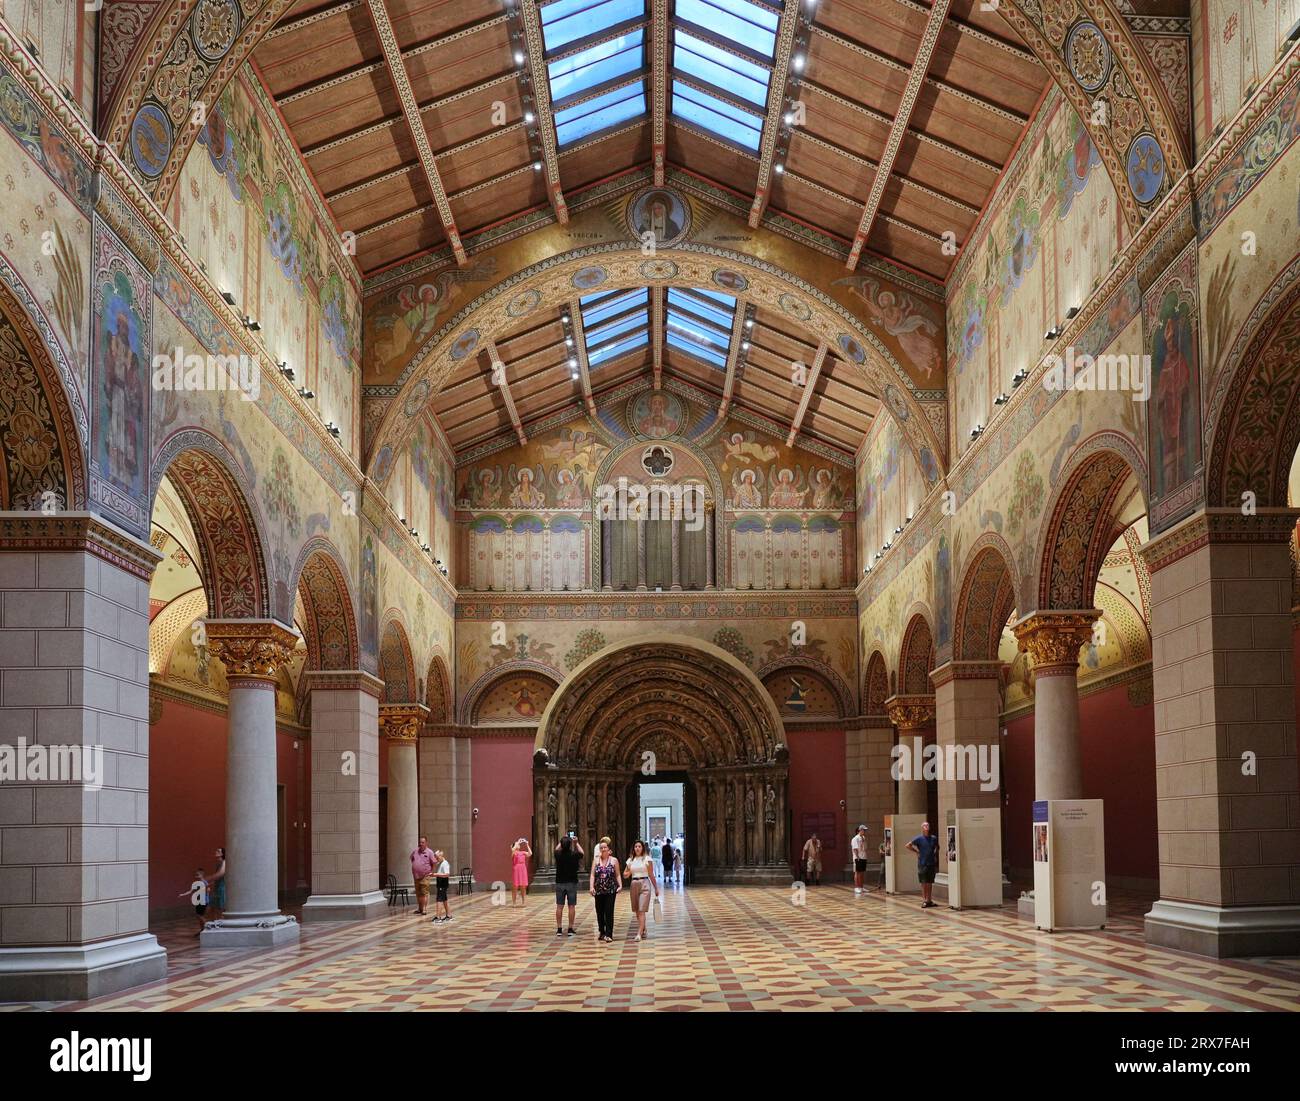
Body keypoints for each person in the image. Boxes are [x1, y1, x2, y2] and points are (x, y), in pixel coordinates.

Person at [623, 839, 659, 941]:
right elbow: (625, 875)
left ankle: (639, 933)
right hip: (634, 884)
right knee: (637, 911)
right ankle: (643, 928)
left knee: (641, 909)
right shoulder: (630, 860)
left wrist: (656, 888)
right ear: (633, 849)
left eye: (639, 846)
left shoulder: (647, 859)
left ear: (642, 848)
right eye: (636, 847)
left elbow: (651, 874)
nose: (637, 848)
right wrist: (629, 871)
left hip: (645, 884)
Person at [589, 841, 622, 943]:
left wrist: (620, 885)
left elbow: (617, 874)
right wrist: (591, 887)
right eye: (601, 848)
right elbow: (592, 875)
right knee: (599, 911)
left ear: (609, 849)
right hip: (598, 890)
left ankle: (609, 934)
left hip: (610, 889)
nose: (603, 849)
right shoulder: (596, 861)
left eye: (605, 847)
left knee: (609, 911)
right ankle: (602, 932)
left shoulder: (614, 861)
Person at [554, 834, 584, 936]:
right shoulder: (574, 854)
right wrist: (576, 843)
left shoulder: (558, 855)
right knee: (571, 906)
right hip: (571, 883)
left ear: (562, 845)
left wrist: (561, 840)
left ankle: (559, 929)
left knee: (559, 906)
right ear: (570, 844)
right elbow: (582, 852)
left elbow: (556, 849)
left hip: (560, 883)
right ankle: (570, 928)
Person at [907, 821, 940, 908]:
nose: (926, 826)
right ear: (922, 828)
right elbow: (908, 845)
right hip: (923, 863)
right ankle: (924, 900)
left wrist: (935, 854)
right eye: (925, 826)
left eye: (928, 825)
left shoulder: (933, 838)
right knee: (923, 882)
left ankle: (929, 900)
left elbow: (937, 847)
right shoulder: (919, 838)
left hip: (931, 863)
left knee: (930, 882)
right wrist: (917, 851)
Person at [180, 868, 209, 936]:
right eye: (195, 875)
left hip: (203, 901)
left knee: (200, 915)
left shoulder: (204, 882)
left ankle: (207, 928)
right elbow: (191, 891)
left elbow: (207, 891)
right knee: (198, 915)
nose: (196, 876)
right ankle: (202, 929)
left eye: (197, 875)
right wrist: (183, 894)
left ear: (202, 875)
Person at [411, 837, 436, 916]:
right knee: (418, 893)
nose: (421, 844)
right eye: (420, 842)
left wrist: (431, 872)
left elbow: (434, 863)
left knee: (424, 892)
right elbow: (412, 859)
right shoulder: (415, 851)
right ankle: (420, 908)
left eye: (422, 842)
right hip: (416, 876)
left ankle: (424, 909)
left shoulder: (429, 852)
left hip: (425, 876)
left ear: (426, 843)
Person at [432, 849, 453, 923]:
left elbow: (447, 874)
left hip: (442, 884)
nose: (436, 859)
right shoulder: (441, 863)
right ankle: (449, 915)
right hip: (441, 884)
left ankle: (438, 917)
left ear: (441, 856)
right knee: (444, 900)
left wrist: (435, 874)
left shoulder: (445, 863)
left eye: (437, 858)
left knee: (439, 900)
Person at [511, 838, 533, 906]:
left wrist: (527, 844)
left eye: (518, 844)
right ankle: (514, 902)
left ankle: (523, 902)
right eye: (517, 844)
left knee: (523, 887)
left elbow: (530, 853)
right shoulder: (514, 853)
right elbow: (512, 849)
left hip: (523, 869)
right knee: (515, 887)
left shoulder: (522, 852)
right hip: (516, 869)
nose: (518, 845)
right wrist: (517, 843)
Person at [850, 824, 871, 896]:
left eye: (865, 830)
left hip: (863, 856)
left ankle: (861, 887)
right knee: (857, 872)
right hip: (858, 858)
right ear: (860, 830)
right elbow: (855, 849)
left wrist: (863, 840)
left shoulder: (863, 838)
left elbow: (865, 847)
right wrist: (857, 857)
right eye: (863, 830)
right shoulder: (855, 838)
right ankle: (857, 887)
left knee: (862, 872)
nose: (864, 831)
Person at [209, 846, 227, 918]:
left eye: (218, 851)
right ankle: (215, 925)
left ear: (222, 854)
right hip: (217, 888)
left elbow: (221, 874)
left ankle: (221, 926)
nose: (216, 852)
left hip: (222, 888)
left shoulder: (224, 862)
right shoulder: (219, 863)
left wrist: (208, 878)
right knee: (212, 909)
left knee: (220, 910)